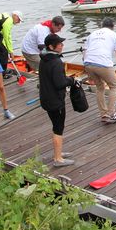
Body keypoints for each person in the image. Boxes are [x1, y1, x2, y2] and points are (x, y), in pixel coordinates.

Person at [39, 33, 77, 167]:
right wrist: (71, 80)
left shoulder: (44, 58)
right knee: (58, 128)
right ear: (51, 47)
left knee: (56, 126)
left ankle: (58, 152)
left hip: (46, 97)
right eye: (60, 44)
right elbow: (60, 83)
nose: (62, 45)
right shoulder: (55, 62)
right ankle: (58, 159)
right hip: (55, 101)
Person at [83, 17, 116, 124]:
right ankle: (111, 114)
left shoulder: (92, 34)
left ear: (102, 25)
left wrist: (88, 73)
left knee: (100, 87)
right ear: (113, 26)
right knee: (114, 86)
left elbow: (84, 53)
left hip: (88, 63)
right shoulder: (114, 35)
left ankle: (104, 114)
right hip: (103, 63)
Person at [0, 11, 24, 79]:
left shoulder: (6, 16)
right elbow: (7, 37)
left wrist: (7, 47)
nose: (18, 22)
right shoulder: (9, 20)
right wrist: (10, 51)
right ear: (15, 15)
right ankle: (2, 73)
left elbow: (2, 35)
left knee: (1, 50)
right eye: (19, 19)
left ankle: (0, 70)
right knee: (4, 53)